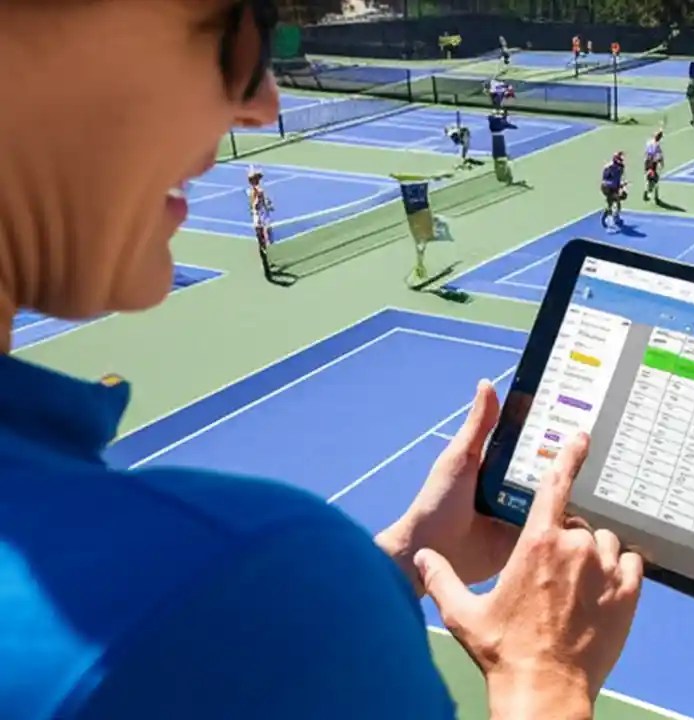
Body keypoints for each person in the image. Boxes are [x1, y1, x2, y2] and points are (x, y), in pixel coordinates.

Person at [0, 3, 643, 720]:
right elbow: (209, 630)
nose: (260, 102)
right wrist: (545, 677)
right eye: (230, 39)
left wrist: (403, 557)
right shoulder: (237, 585)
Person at [247, 166, 276, 280]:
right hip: (259, 218)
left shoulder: (258, 190)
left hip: (263, 217)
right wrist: (258, 202)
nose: (259, 180)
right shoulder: (254, 191)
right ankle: (266, 263)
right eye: (257, 178)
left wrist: (268, 204)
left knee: (267, 239)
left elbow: (264, 202)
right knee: (263, 240)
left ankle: (268, 261)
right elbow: (255, 205)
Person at [601, 151, 628, 228]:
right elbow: (605, 179)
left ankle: (608, 216)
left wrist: (622, 186)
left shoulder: (619, 167)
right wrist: (619, 186)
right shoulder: (609, 167)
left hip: (612, 187)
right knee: (617, 202)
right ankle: (615, 217)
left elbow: (620, 178)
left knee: (611, 203)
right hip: (608, 188)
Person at [643, 131, 664, 203]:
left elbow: (646, 152)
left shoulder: (648, 142)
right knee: (656, 180)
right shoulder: (657, 145)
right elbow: (659, 155)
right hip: (653, 163)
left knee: (648, 177)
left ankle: (646, 191)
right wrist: (661, 162)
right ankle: (655, 196)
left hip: (647, 161)